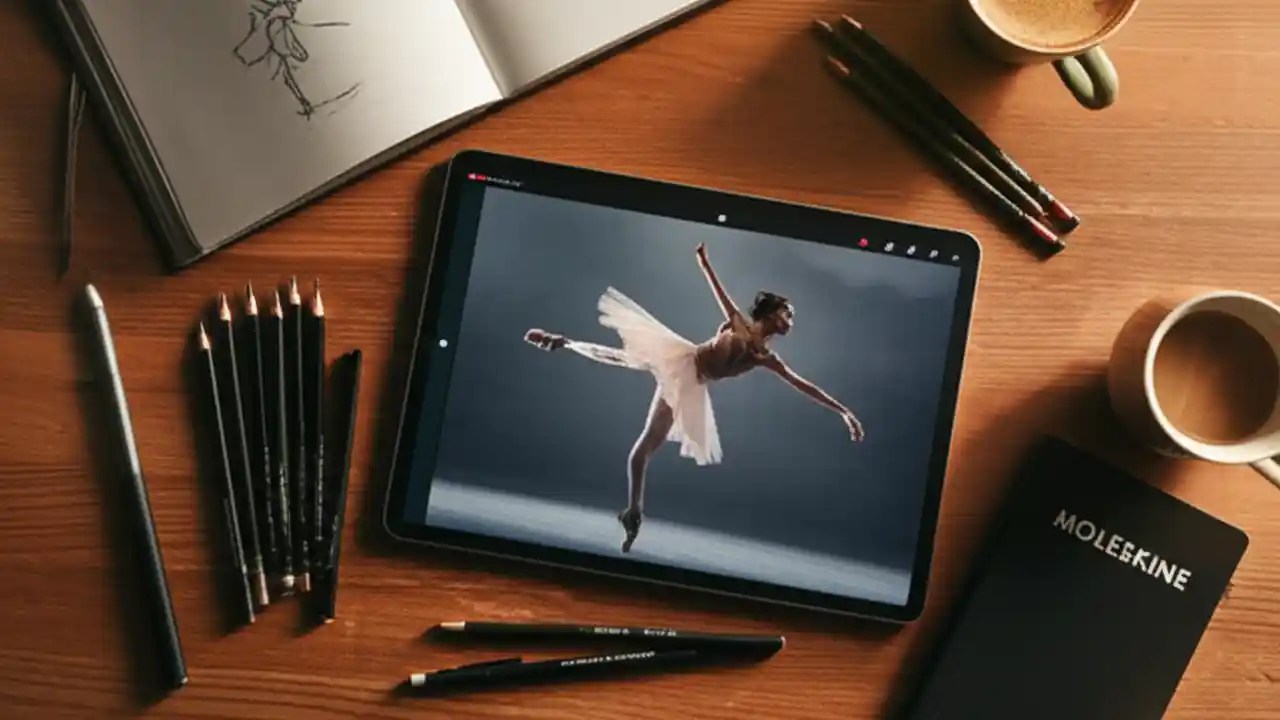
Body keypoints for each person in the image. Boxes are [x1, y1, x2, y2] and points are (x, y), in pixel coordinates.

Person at [524, 243, 865, 553]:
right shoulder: (741, 328)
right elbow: (720, 293)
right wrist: (703, 262)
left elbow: (803, 385)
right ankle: (561, 342)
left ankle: (633, 512)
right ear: (772, 313)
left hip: (692, 383)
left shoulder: (768, 358)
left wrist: (843, 411)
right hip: (684, 360)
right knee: (627, 358)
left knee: (642, 452)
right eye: (788, 313)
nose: (791, 320)